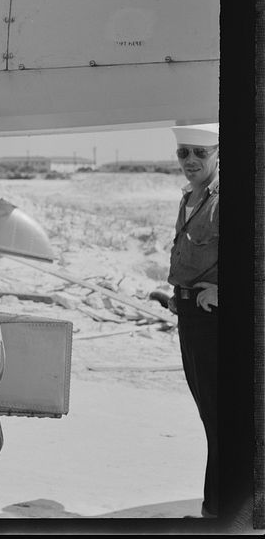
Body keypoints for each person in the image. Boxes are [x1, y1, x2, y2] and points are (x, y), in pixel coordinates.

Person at [167, 122, 219, 519]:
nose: (191, 161)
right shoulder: (190, 197)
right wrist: (177, 295)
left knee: (222, 415)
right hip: (189, 314)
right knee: (210, 414)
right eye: (184, 153)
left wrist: (226, 290)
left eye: (201, 153)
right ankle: (217, 508)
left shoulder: (225, 199)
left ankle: (220, 511)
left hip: (215, 318)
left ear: (219, 153)